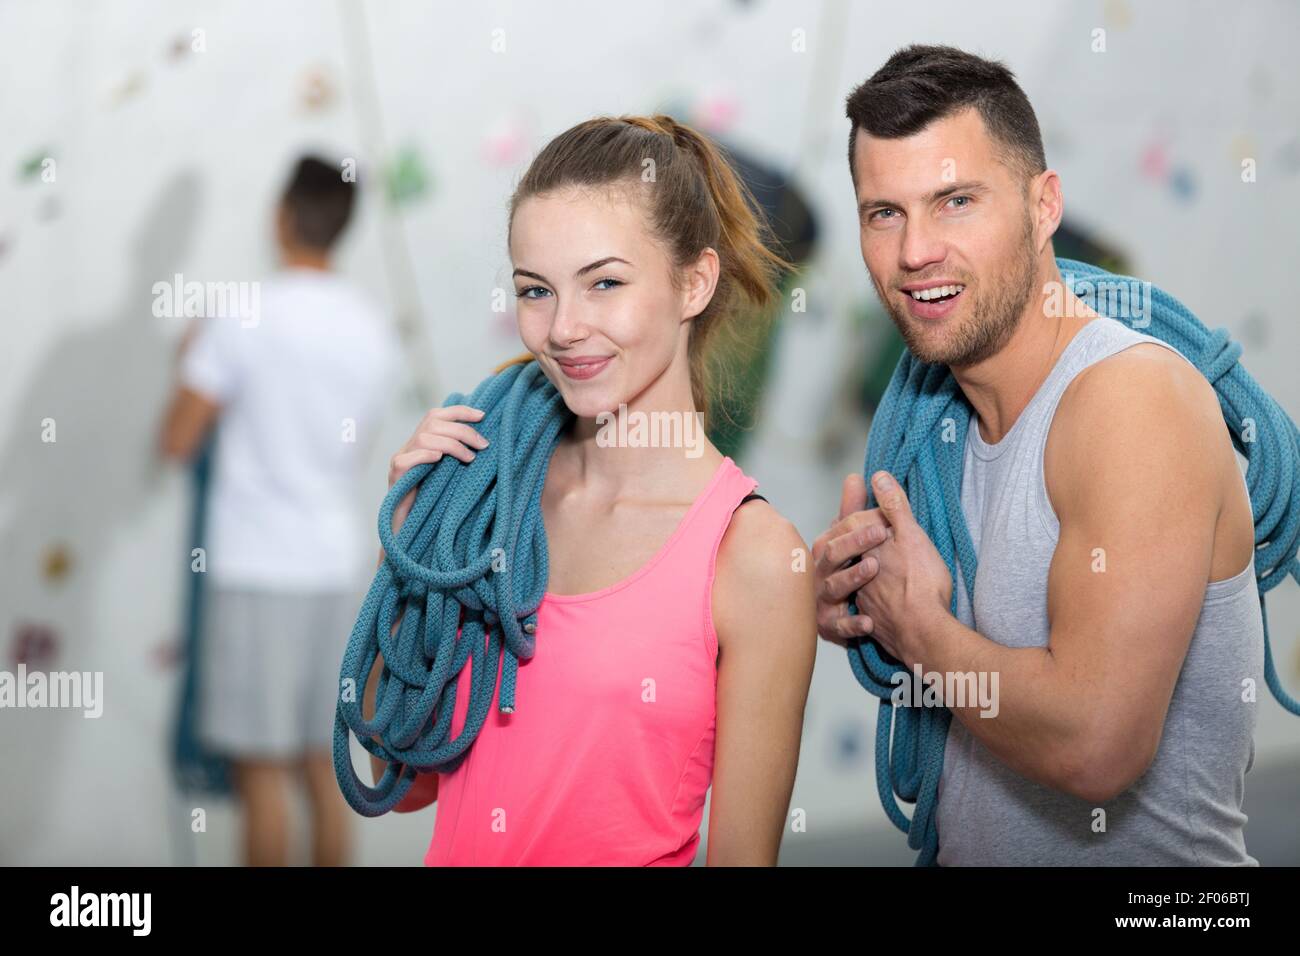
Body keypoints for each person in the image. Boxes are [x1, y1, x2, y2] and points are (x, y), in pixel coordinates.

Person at [813, 45, 1264, 864]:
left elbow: (1097, 747)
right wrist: (857, 601)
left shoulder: (1132, 402)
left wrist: (915, 626)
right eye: (885, 213)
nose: (916, 252)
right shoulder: (936, 422)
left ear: (1044, 203)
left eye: (955, 201)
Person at [364, 114, 818, 866]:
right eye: (536, 291)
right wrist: (410, 548)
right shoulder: (482, 504)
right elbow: (398, 777)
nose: (564, 328)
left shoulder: (756, 558)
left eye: (604, 282)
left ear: (695, 282)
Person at [160, 155, 402, 866]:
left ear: (280, 216)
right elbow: (350, 454)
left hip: (257, 570)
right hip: (336, 569)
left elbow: (177, 440)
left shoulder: (240, 316)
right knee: (325, 768)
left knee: (261, 775)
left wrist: (191, 358)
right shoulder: (373, 329)